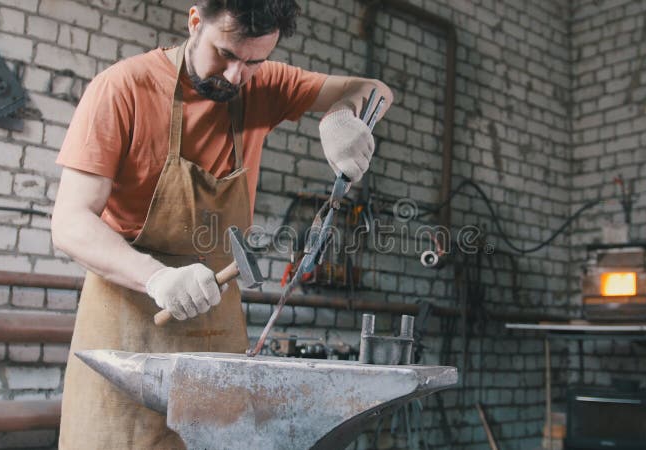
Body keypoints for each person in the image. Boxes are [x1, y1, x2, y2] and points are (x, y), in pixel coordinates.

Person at [51, 0, 392, 448]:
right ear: (196, 21)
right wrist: (156, 278)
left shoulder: (261, 84)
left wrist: (342, 116)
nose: (237, 76)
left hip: (215, 326)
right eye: (226, 54)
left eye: (256, 61)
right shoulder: (123, 88)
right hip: (128, 319)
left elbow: (376, 89)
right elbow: (70, 223)